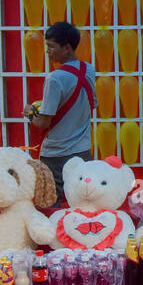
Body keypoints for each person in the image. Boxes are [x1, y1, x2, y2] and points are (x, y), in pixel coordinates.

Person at [26, 22, 95, 204]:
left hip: (56, 155)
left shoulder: (55, 79)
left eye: (51, 47)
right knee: (83, 202)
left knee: (52, 203)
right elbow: (91, 103)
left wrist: (29, 113)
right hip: (83, 151)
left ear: (66, 48)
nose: (47, 51)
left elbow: (43, 123)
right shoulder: (89, 70)